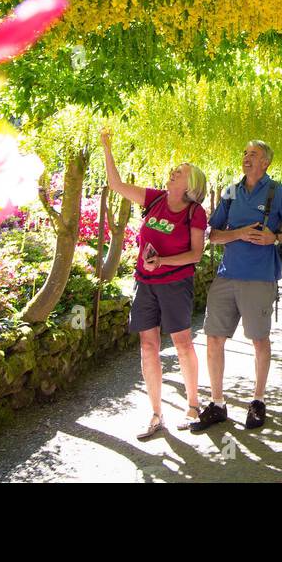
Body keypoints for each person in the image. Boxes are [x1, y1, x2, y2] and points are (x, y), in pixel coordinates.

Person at [190, 140, 282, 432]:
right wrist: (240, 233)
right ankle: (217, 404)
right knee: (214, 338)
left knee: (258, 340)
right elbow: (213, 235)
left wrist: (275, 239)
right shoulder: (231, 191)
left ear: (266, 162)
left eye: (253, 154)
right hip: (227, 275)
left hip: (259, 277)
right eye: (244, 153)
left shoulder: (278, 193)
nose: (246, 158)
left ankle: (258, 401)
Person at [101, 129, 208, 440]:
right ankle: (156, 414)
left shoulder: (194, 212)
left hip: (175, 284)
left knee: (182, 344)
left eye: (179, 173)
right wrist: (107, 147)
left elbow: (196, 254)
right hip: (144, 283)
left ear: (190, 186)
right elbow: (116, 185)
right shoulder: (154, 198)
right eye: (174, 171)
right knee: (148, 346)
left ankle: (192, 406)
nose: (172, 174)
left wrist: (162, 262)